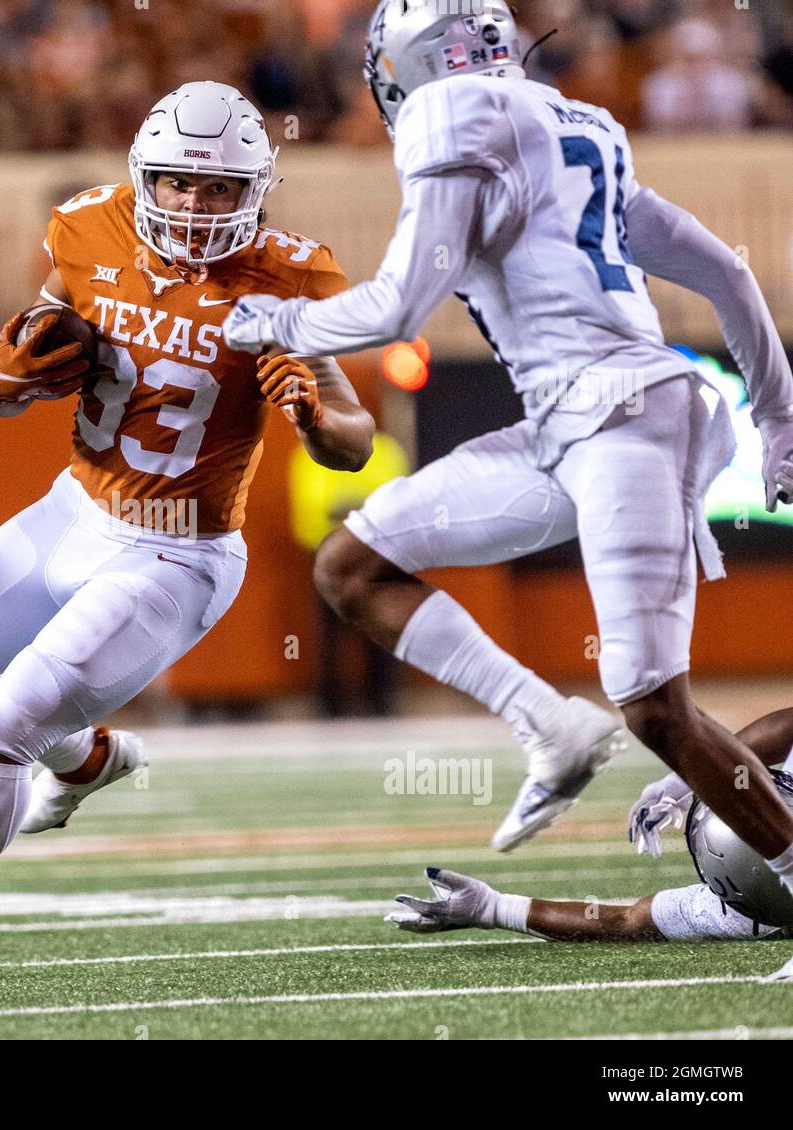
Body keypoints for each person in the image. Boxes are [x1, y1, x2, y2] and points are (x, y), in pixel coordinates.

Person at [0, 81, 375, 987]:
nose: (195, 204)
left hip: (177, 552)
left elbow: (355, 439)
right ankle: (87, 756)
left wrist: (311, 417)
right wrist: (1, 378)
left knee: (6, 725)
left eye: (219, 187)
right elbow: (22, 356)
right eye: (178, 181)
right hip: (72, 512)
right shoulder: (87, 227)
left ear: (255, 191)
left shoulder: (292, 277)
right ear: (144, 176)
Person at [220, 0, 793, 887]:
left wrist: (277, 322)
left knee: (654, 708)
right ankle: (549, 724)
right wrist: (778, 420)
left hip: (623, 412)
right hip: (575, 424)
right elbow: (726, 271)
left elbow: (399, 306)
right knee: (352, 565)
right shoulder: (575, 124)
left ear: (410, 63)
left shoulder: (450, 112)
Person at [386, 709, 793, 951]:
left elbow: (624, 922)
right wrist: (490, 908)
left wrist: (494, 909)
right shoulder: (739, 914)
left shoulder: (735, 915)